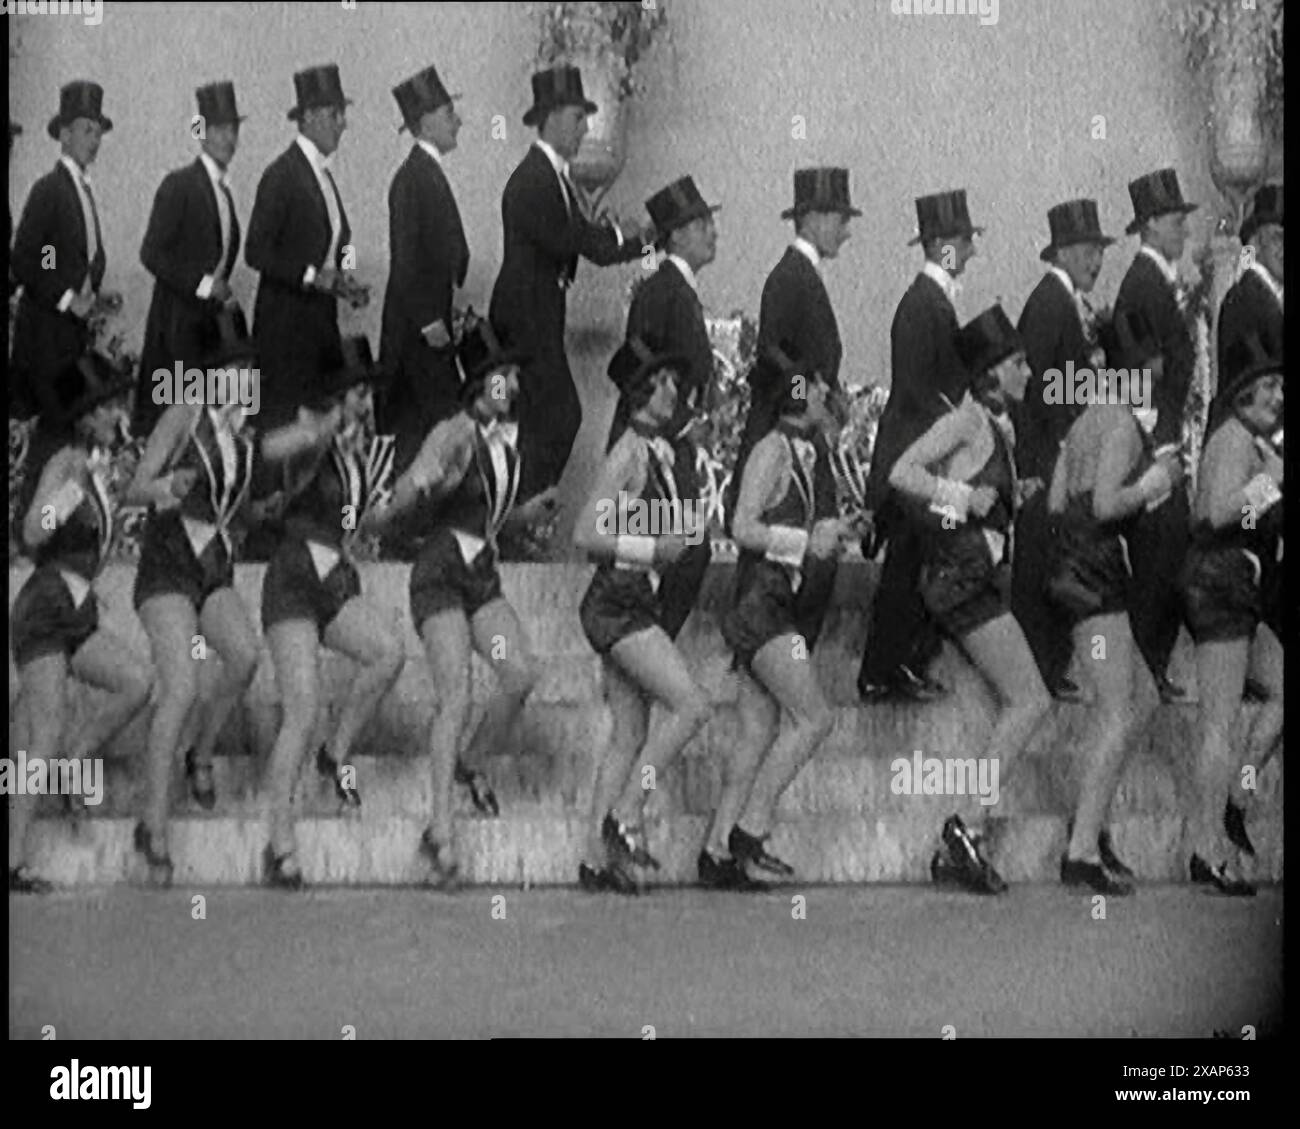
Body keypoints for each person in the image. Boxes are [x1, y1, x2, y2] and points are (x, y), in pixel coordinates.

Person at [125, 307, 326, 885]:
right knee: (182, 685)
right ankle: (153, 823)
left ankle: (201, 752)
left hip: (211, 566)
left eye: (249, 368)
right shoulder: (185, 411)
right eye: (236, 368)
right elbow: (133, 487)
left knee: (243, 655)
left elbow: (255, 478)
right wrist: (167, 486)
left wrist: (312, 442)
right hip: (166, 566)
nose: (245, 378)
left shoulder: (240, 430)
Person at [380, 319, 553, 887]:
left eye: (514, 376)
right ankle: (440, 830)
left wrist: (527, 514)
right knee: (455, 693)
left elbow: (486, 511)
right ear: (481, 382)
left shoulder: (507, 437)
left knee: (519, 672)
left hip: (479, 575)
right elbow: (412, 486)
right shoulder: (454, 431)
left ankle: (470, 762)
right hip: (440, 574)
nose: (513, 384)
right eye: (503, 376)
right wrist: (418, 486)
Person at [890, 306, 1052, 895]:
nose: (1030, 372)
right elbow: (901, 472)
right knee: (1031, 700)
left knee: (1016, 704)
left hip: (973, 576)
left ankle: (963, 835)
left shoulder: (994, 426)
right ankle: (965, 825)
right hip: (959, 577)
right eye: (1019, 363)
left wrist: (1008, 496)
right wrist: (962, 495)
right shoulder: (965, 420)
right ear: (992, 371)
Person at [258, 336, 406, 889]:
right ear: (339, 395)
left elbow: (362, 521)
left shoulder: (357, 453)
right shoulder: (311, 434)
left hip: (335, 578)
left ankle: (335, 751)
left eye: (368, 393)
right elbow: (269, 449)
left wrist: (411, 499)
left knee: (388, 654)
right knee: (302, 705)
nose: (368, 404)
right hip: (294, 575)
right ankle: (280, 842)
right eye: (360, 393)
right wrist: (322, 427)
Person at [706, 343, 853, 887]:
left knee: (756, 730)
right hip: (762, 607)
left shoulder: (806, 451)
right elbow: (740, 527)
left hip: (778, 602)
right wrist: (804, 541)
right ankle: (752, 827)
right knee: (815, 717)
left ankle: (718, 851)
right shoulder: (771, 450)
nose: (824, 395)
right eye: (817, 386)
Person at [1045, 312, 1179, 894]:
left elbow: (1055, 502)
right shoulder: (1122, 424)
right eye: (1154, 364)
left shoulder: (1083, 420)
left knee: (1142, 700)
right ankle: (1080, 849)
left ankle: (1091, 823)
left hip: (1079, 572)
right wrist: (1152, 486)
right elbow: (1103, 506)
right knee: (1119, 709)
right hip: (1096, 580)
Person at [9, 354, 153, 893]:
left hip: (75, 610)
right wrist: (71, 494)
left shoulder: (97, 464)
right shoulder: (67, 462)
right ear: (88, 417)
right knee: (41, 730)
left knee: (136, 680)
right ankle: (13, 858)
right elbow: (32, 532)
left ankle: (75, 758)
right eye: (110, 406)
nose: (120, 414)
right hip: (45, 608)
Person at [573, 337, 711, 893]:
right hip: (618, 603)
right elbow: (587, 533)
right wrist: (656, 549)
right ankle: (626, 815)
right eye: (668, 383)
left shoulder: (656, 451)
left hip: (634, 599)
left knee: (629, 734)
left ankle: (594, 859)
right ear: (644, 392)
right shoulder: (627, 453)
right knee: (691, 706)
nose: (676, 391)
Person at [488, 65, 645, 509]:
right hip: (525, 321)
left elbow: (581, 234)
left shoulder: (552, 177)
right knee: (555, 415)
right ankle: (522, 506)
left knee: (544, 417)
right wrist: (635, 239)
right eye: (578, 118)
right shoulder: (535, 180)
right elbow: (578, 240)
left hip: (536, 317)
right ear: (553, 117)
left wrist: (626, 239)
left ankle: (523, 505)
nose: (584, 129)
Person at [861, 189, 983, 702]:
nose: (971, 250)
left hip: (917, 455)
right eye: (963, 241)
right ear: (938, 245)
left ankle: (896, 667)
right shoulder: (923, 306)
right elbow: (919, 394)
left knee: (912, 568)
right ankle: (884, 670)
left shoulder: (932, 302)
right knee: (908, 569)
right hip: (913, 459)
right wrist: (953, 444)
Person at [1177, 332, 1283, 897]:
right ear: (1242, 394)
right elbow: (1216, 512)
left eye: (1281, 386)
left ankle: (1238, 798)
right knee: (1217, 721)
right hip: (1218, 581)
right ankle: (1205, 846)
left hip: (1235, 584)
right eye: (1268, 386)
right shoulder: (1233, 439)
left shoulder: (1251, 442)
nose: (1278, 395)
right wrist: (1271, 483)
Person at [1011, 199, 1116, 702]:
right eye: (1091, 251)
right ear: (1067, 252)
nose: (1098, 261)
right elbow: (1038, 390)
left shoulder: (1061, 302)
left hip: (1052, 458)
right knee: (1040, 568)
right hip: (1044, 461)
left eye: (1100, 251)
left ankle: (1048, 671)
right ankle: (1040, 672)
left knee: (1050, 563)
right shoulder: (1051, 305)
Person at [610, 175, 720, 643]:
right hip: (650, 454)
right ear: (675, 234)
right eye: (701, 224)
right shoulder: (661, 290)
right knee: (671, 550)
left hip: (671, 451)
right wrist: (682, 423)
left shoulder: (679, 290)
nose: (713, 232)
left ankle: (652, 645)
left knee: (689, 548)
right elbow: (639, 371)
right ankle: (646, 644)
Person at [1112, 168, 1198, 702]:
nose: (1183, 231)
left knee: (1168, 559)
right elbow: (1139, 376)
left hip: (1161, 440)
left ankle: (1149, 671)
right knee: (1159, 562)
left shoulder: (1155, 283)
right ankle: (1142, 674)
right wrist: (1159, 445)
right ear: (1149, 226)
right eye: (1174, 221)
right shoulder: (1142, 285)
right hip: (1154, 448)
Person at [245, 64, 368, 428]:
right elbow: (256, 251)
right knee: (285, 427)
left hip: (320, 326)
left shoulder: (325, 177)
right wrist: (314, 277)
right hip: (285, 332)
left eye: (342, 114)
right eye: (335, 114)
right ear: (310, 117)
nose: (343, 123)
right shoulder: (281, 175)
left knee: (319, 428)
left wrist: (344, 279)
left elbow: (338, 243)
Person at [135, 82, 246, 438]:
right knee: (173, 427)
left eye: (234, 129)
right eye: (219, 129)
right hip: (177, 327)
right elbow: (151, 252)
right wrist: (202, 284)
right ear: (201, 133)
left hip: (210, 331)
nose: (229, 139)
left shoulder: (226, 194)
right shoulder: (179, 184)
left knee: (211, 427)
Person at [379, 63, 469, 469]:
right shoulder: (411, 179)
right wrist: (430, 322)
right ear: (426, 120)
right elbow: (405, 263)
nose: (458, 121)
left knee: (431, 441)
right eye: (450, 114)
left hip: (430, 337)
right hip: (415, 343)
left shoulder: (427, 173)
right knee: (420, 443)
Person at [11, 81, 113, 424]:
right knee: (47, 433)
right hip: (43, 339)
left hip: (71, 339)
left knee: (69, 428)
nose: (95, 141)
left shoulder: (83, 192)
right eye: (87, 131)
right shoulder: (49, 190)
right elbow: (30, 258)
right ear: (64, 135)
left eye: (98, 133)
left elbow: (63, 254)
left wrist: (92, 296)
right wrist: (69, 298)